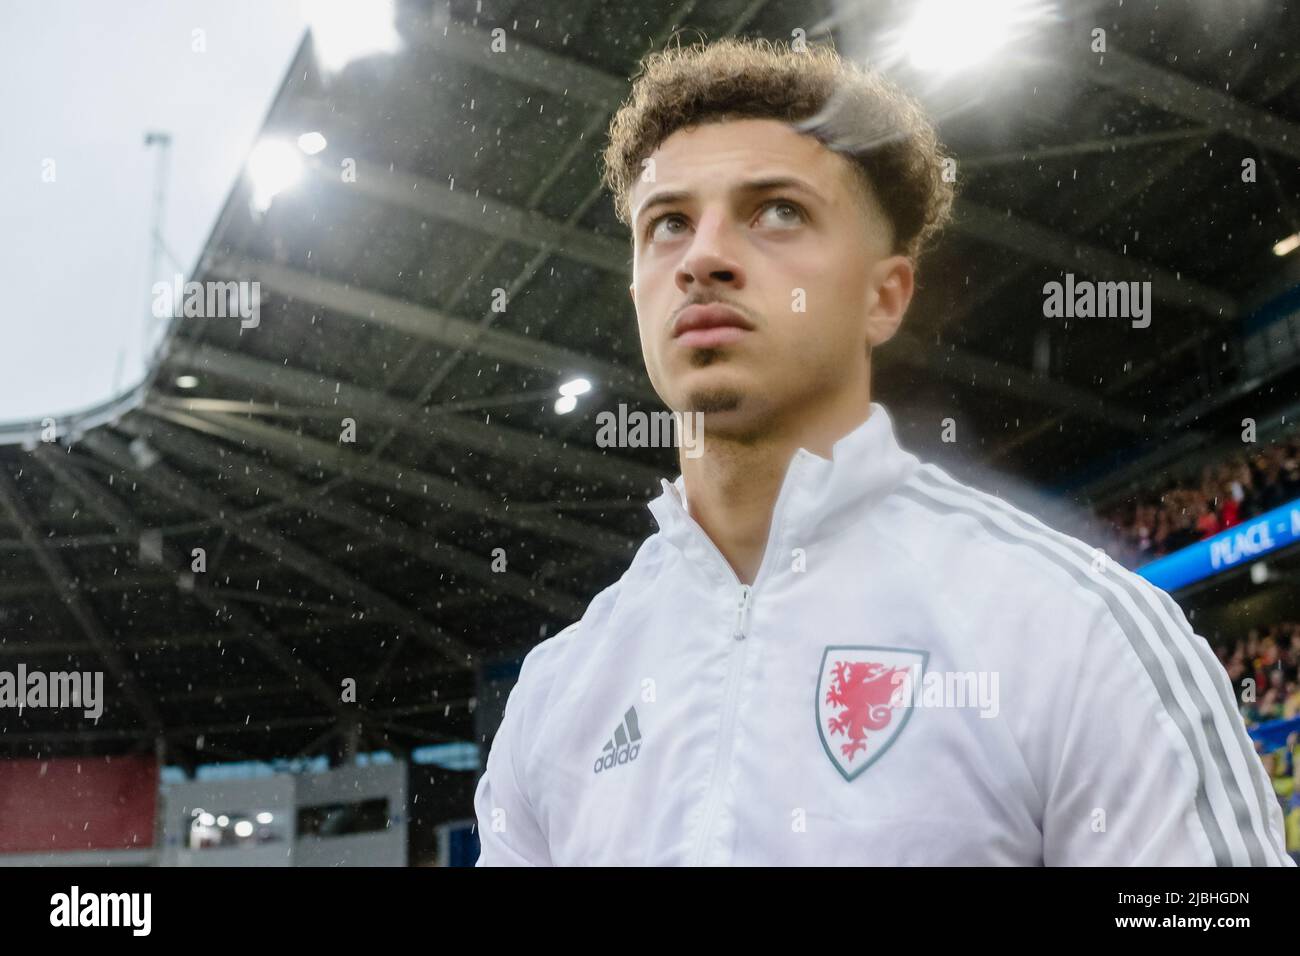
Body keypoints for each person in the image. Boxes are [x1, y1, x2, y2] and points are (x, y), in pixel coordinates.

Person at [472, 37, 1293, 866]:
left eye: (776, 211)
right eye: (669, 223)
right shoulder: (556, 698)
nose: (704, 258)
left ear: (884, 295)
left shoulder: (1074, 631)